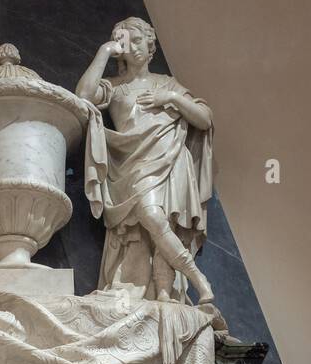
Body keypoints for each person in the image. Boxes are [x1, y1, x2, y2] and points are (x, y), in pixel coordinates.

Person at [77, 17, 223, 327]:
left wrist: (171, 98)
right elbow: (83, 97)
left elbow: (204, 118)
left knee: (158, 228)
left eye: (138, 40)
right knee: (154, 220)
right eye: (126, 42)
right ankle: (201, 284)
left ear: (151, 45)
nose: (133, 47)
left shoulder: (167, 83)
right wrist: (105, 50)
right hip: (131, 165)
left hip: (168, 161)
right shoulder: (115, 87)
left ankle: (167, 296)